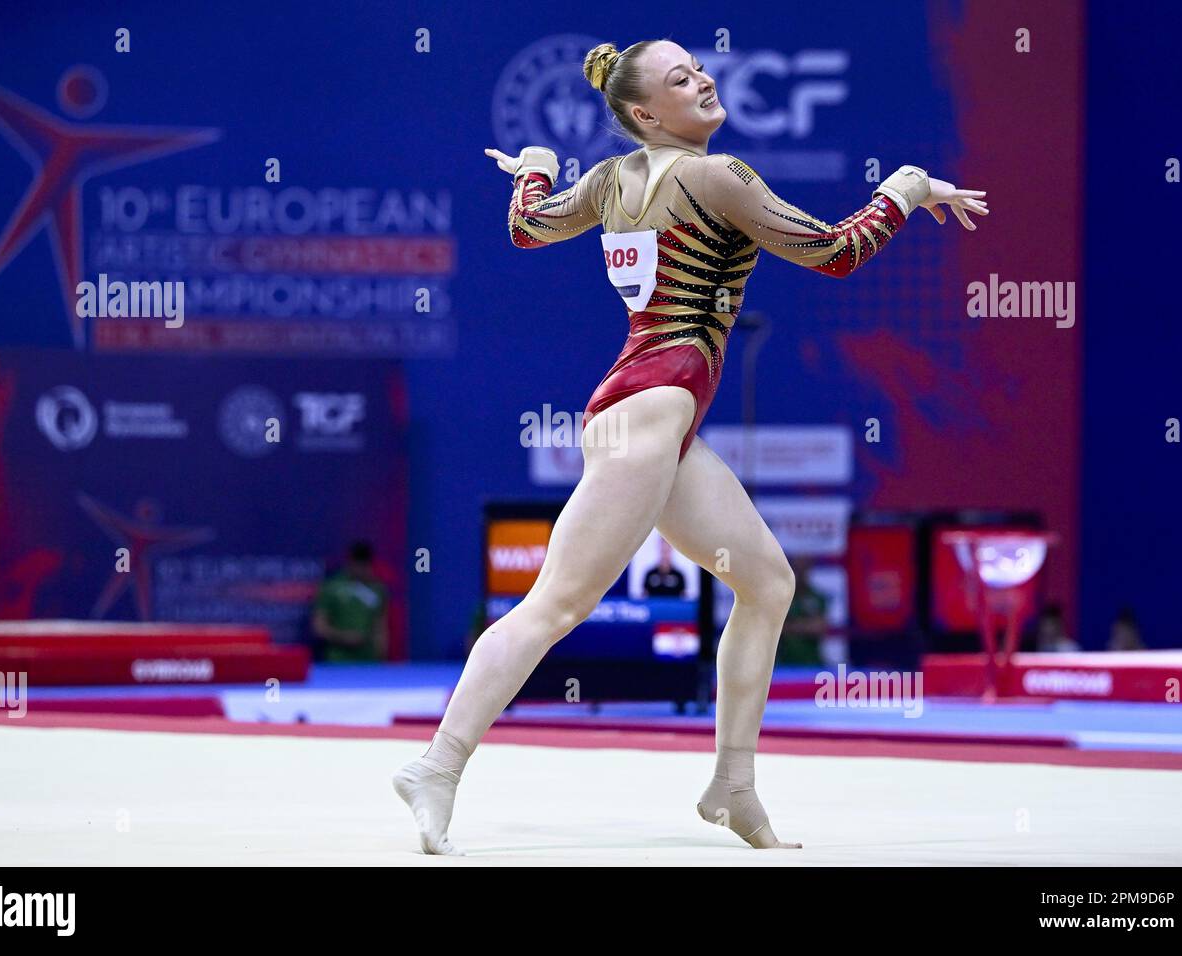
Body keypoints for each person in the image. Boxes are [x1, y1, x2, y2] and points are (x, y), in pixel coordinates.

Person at [394, 38, 987, 855]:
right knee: (556, 605)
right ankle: (438, 765)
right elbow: (835, 252)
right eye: (681, 79)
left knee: (768, 583)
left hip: (653, 414)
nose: (703, 79)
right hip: (651, 412)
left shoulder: (608, 181)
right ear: (644, 113)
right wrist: (905, 188)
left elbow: (529, 228)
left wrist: (535, 163)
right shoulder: (716, 177)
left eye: (699, 69)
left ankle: (732, 784)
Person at [311, 542, 388, 663]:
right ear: (349, 562)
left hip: (369, 662)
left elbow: (380, 628)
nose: (360, 570)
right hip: (337, 661)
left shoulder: (377, 589)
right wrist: (344, 637)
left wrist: (381, 658)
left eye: (364, 565)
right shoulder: (332, 587)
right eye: (357, 564)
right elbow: (319, 627)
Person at [777, 556, 830, 665]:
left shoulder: (817, 597)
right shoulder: (779, 598)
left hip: (812, 662)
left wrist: (790, 626)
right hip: (783, 664)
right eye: (796, 569)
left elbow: (819, 628)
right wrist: (804, 625)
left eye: (804, 569)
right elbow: (773, 628)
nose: (800, 574)